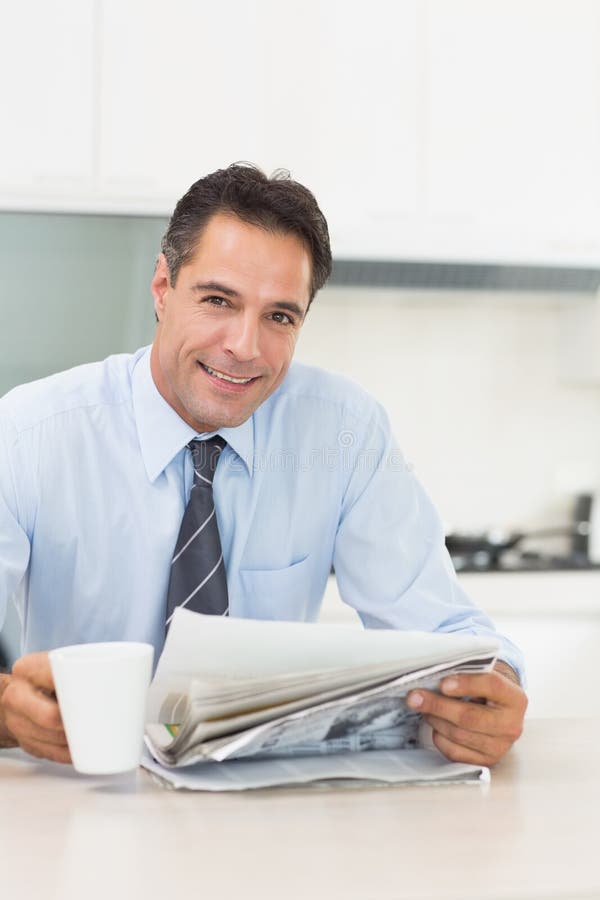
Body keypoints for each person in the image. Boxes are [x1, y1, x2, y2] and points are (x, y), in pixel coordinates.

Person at [0, 164, 527, 767]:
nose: (245, 347)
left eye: (279, 316)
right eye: (218, 300)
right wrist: (8, 713)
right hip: (81, 795)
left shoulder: (345, 432)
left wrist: (496, 687)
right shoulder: (27, 435)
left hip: (262, 805)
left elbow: (450, 633)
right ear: (162, 287)